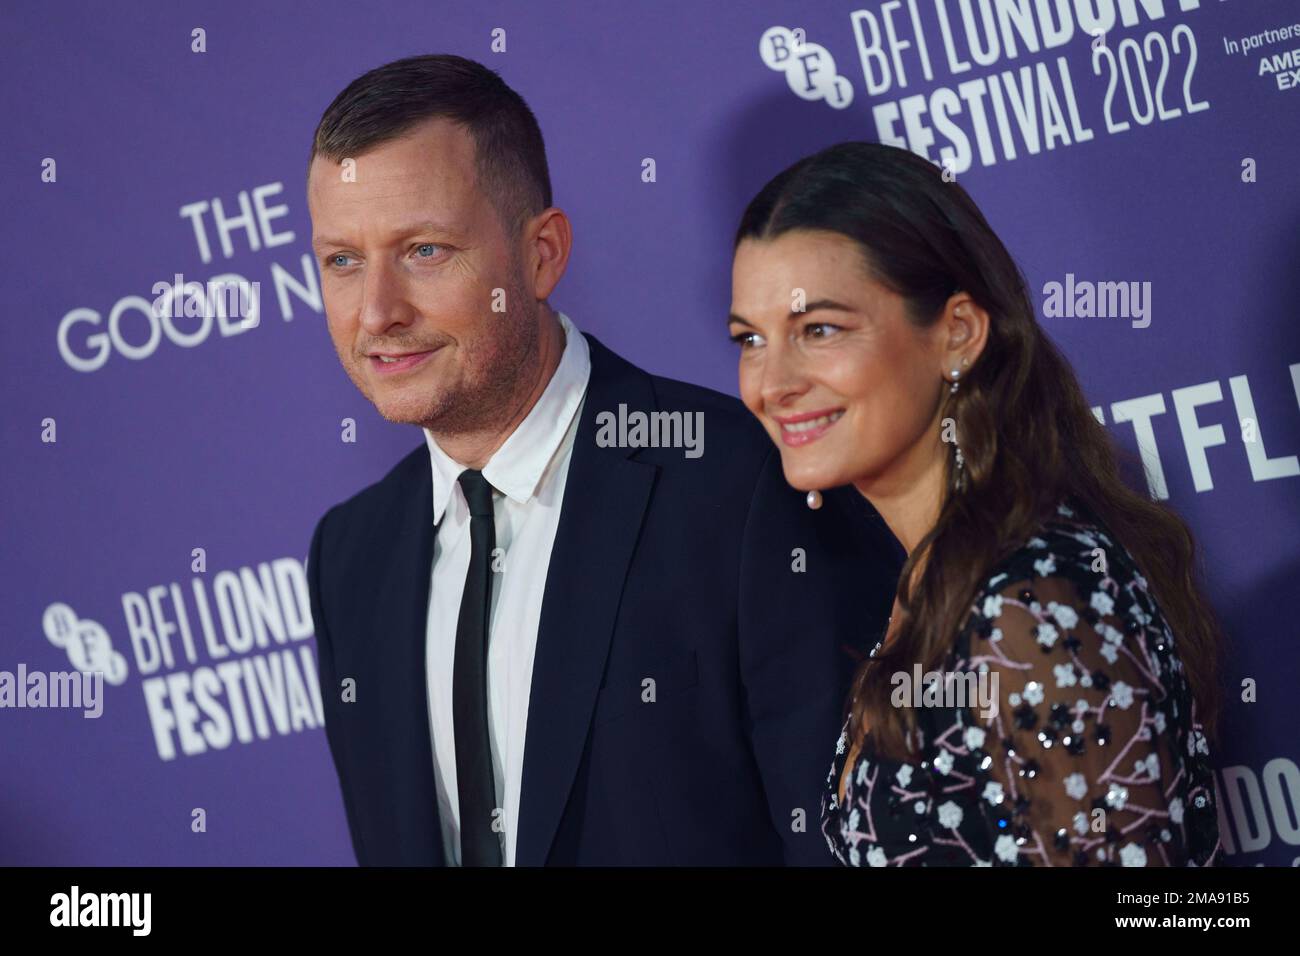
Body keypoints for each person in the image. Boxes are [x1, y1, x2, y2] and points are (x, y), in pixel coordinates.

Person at [304, 55, 900, 866]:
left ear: (542, 255)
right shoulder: (351, 555)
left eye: (424, 251)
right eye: (342, 260)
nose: (377, 310)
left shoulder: (746, 482)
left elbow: (844, 843)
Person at [726, 142, 1223, 867]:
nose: (772, 383)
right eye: (749, 340)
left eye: (819, 330)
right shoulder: (934, 581)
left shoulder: (1029, 603)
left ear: (957, 332)